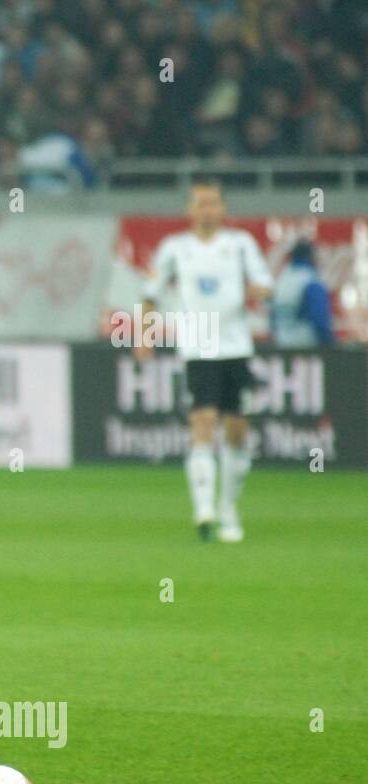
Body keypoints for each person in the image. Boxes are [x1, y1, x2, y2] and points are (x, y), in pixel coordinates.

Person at [139, 180, 273, 542]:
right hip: (198, 347)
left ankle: (228, 507)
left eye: (213, 203)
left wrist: (261, 290)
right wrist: (144, 335)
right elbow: (150, 293)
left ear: (223, 209)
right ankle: (203, 510)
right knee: (203, 422)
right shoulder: (174, 248)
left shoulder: (240, 244)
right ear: (189, 210)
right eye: (201, 203)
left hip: (236, 348)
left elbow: (265, 283)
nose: (207, 210)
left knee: (236, 431)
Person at [271, 240, 335, 348]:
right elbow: (319, 319)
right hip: (307, 348)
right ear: (311, 257)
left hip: (282, 346)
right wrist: (330, 344)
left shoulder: (281, 281)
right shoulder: (310, 280)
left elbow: (272, 319)